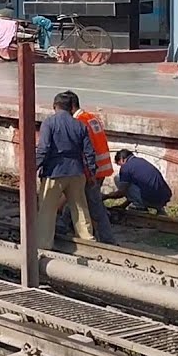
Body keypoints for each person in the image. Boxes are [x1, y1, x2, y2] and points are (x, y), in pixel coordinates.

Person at [35, 93, 97, 249]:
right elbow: (89, 152)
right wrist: (91, 173)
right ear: (71, 108)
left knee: (47, 210)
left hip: (54, 172)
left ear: (54, 106)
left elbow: (44, 148)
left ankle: (44, 243)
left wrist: (33, 167)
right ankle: (88, 240)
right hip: (76, 171)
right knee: (80, 207)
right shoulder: (80, 125)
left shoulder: (49, 123)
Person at [56, 91, 117, 244]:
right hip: (101, 167)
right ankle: (63, 224)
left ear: (70, 107)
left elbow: (82, 149)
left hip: (91, 170)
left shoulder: (79, 121)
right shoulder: (91, 117)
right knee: (77, 197)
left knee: (94, 206)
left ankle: (108, 240)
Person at [104, 150, 172, 215]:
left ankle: (139, 207)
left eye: (120, 164)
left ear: (122, 159)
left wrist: (105, 196)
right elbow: (133, 192)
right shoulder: (141, 161)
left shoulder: (126, 168)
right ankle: (158, 208)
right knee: (131, 183)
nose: (120, 167)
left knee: (118, 178)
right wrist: (123, 205)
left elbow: (122, 192)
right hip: (164, 197)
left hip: (150, 199)